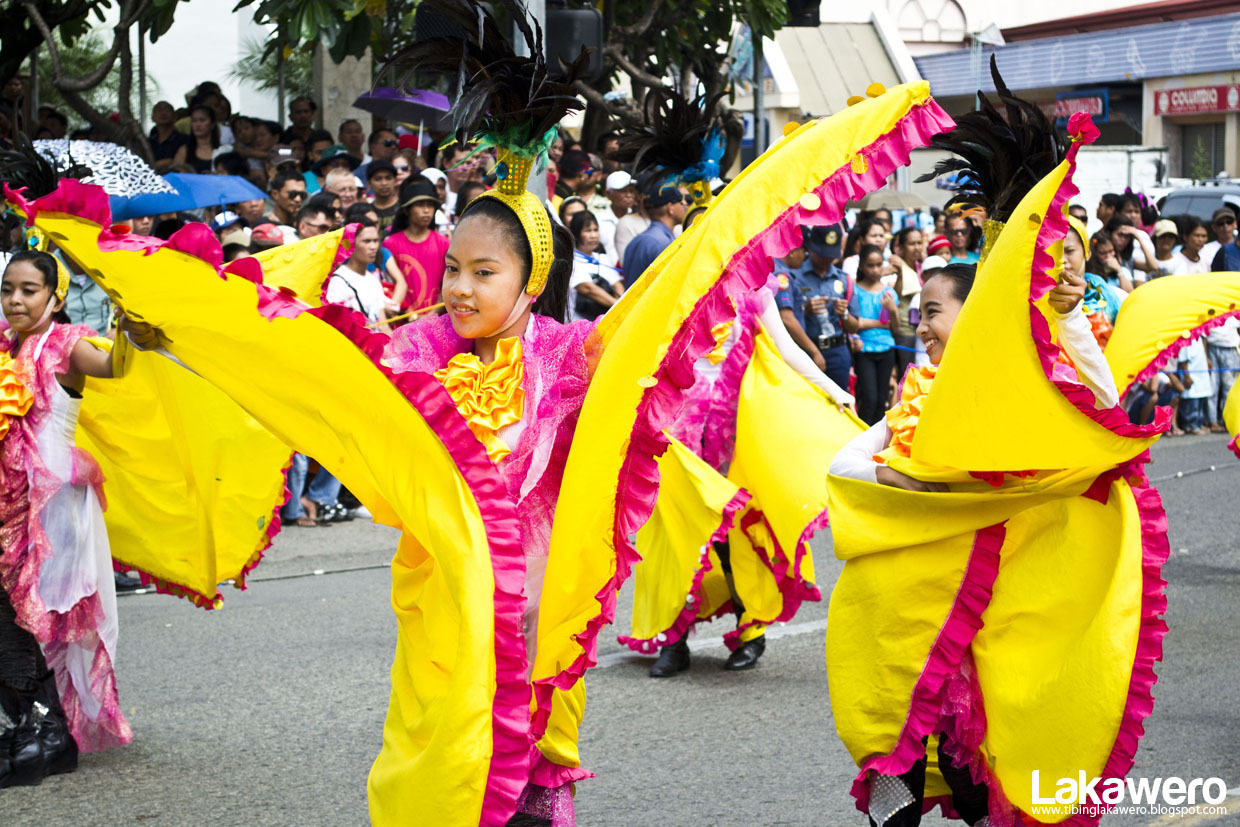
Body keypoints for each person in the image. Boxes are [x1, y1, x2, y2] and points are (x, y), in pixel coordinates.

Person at [0, 248, 149, 783]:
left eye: (29, 290)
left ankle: (43, 732)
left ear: (55, 297)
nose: (16, 299)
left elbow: (116, 366)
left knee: (29, 614)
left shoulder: (65, 347)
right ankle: (31, 727)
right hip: (8, 498)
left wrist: (129, 325)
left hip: (53, 506)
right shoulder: (3, 347)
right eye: (8, 289)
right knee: (11, 615)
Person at [774, 224, 852, 390]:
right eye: (805, 252)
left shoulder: (843, 278)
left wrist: (843, 312)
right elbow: (786, 318)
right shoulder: (786, 274)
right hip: (804, 349)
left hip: (837, 350)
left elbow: (854, 325)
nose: (805, 256)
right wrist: (814, 352)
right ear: (794, 250)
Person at [843, 244, 899, 424]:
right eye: (870, 265)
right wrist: (882, 324)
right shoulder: (854, 290)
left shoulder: (889, 292)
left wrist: (893, 311)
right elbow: (854, 323)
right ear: (861, 266)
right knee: (869, 398)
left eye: (878, 265)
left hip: (886, 349)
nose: (875, 270)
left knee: (881, 399)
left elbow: (895, 328)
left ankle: (876, 440)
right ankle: (863, 432)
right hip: (864, 350)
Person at [382, 177, 448, 313]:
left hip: (434, 320)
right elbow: (388, 284)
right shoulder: (391, 243)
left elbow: (447, 285)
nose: (426, 210)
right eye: (420, 205)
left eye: (430, 205)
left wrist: (431, 315)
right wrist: (408, 314)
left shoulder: (443, 243)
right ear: (407, 210)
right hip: (400, 319)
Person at [621, 183, 686, 287]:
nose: (684, 204)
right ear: (671, 208)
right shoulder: (663, 244)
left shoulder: (638, 240)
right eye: (680, 202)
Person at [567, 210, 623, 321]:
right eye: (588, 231)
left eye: (595, 230)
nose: (593, 235)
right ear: (577, 234)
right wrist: (620, 307)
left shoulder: (603, 258)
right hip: (578, 323)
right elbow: (588, 289)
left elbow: (618, 285)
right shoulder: (571, 260)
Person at [888, 227, 925, 376]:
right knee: (907, 376)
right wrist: (899, 275)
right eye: (911, 243)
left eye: (919, 243)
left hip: (921, 332)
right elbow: (895, 297)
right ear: (901, 247)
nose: (916, 247)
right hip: (906, 331)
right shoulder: (897, 268)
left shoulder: (922, 267)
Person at [171, 105, 225, 174]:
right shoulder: (184, 151)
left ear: (212, 124)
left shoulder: (223, 150)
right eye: (194, 121)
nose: (197, 124)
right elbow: (175, 177)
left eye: (202, 120)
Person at [595, 170, 635, 258]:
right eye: (623, 191)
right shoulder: (598, 220)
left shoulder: (638, 220)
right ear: (608, 194)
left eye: (631, 191)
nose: (629, 195)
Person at [265, 171, 307, 242]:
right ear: (275, 194)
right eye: (292, 194)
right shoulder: (264, 225)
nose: (298, 199)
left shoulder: (306, 225)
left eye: (302, 195)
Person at [147, 100, 188, 173]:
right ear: (153, 118)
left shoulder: (184, 139)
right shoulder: (147, 142)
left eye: (167, 110)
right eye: (159, 110)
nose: (163, 113)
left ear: (175, 117)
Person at [366, 161, 400, 235]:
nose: (384, 183)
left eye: (388, 178)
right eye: (378, 179)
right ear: (369, 183)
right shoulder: (366, 211)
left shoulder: (404, 208)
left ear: (395, 180)